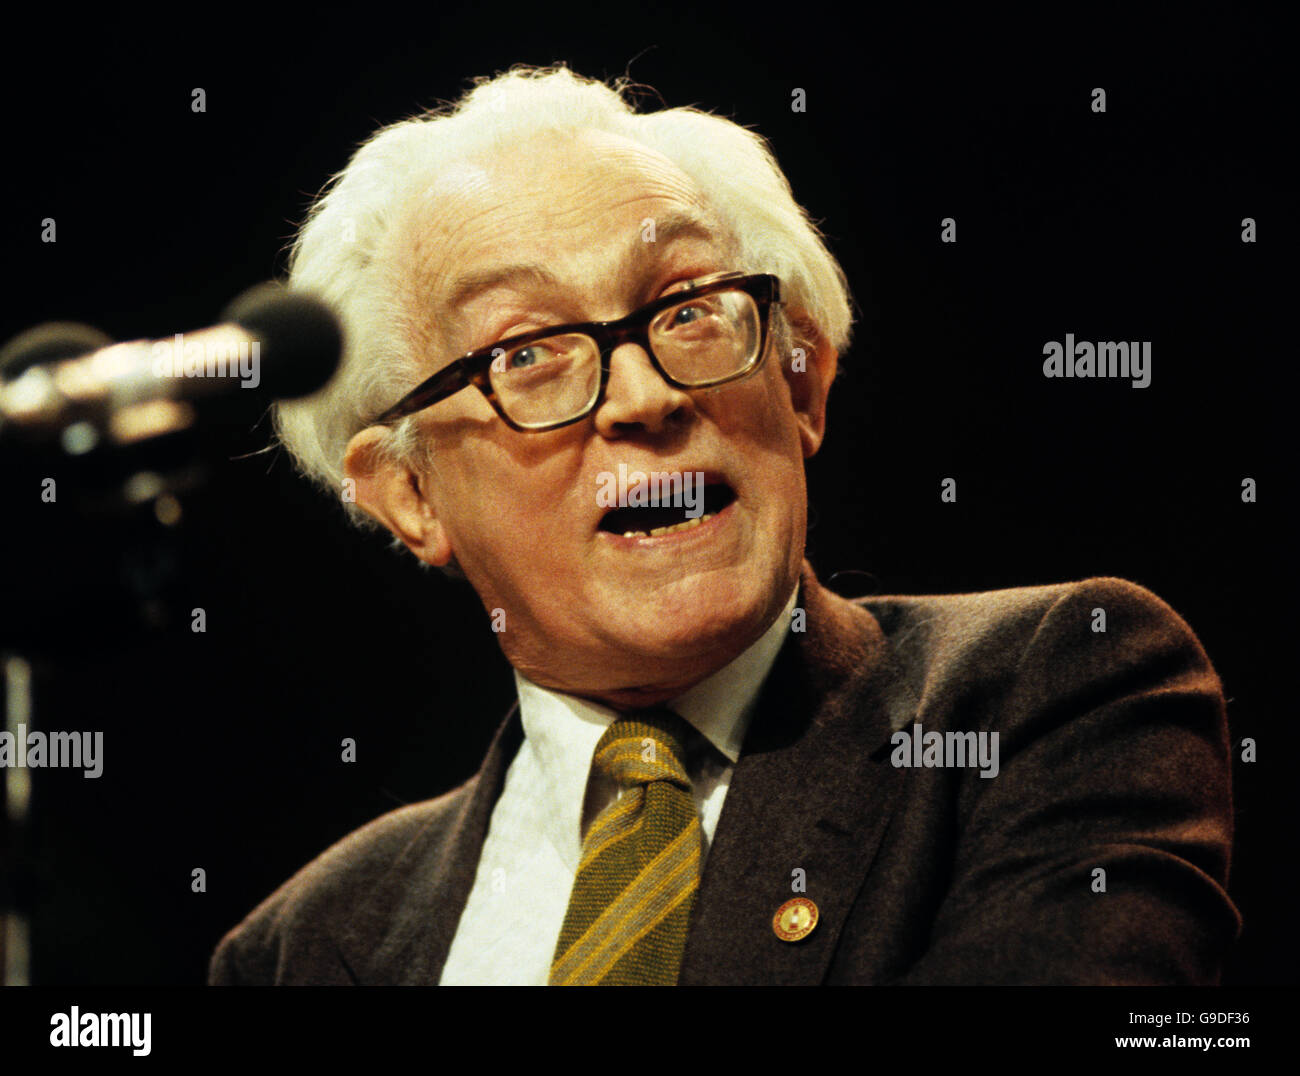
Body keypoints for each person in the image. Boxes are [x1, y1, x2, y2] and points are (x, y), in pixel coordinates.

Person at [208, 65, 1240, 985]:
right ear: (410, 494)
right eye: (527, 350)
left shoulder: (1052, 696)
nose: (645, 394)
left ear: (803, 382)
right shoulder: (306, 947)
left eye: (690, 309)